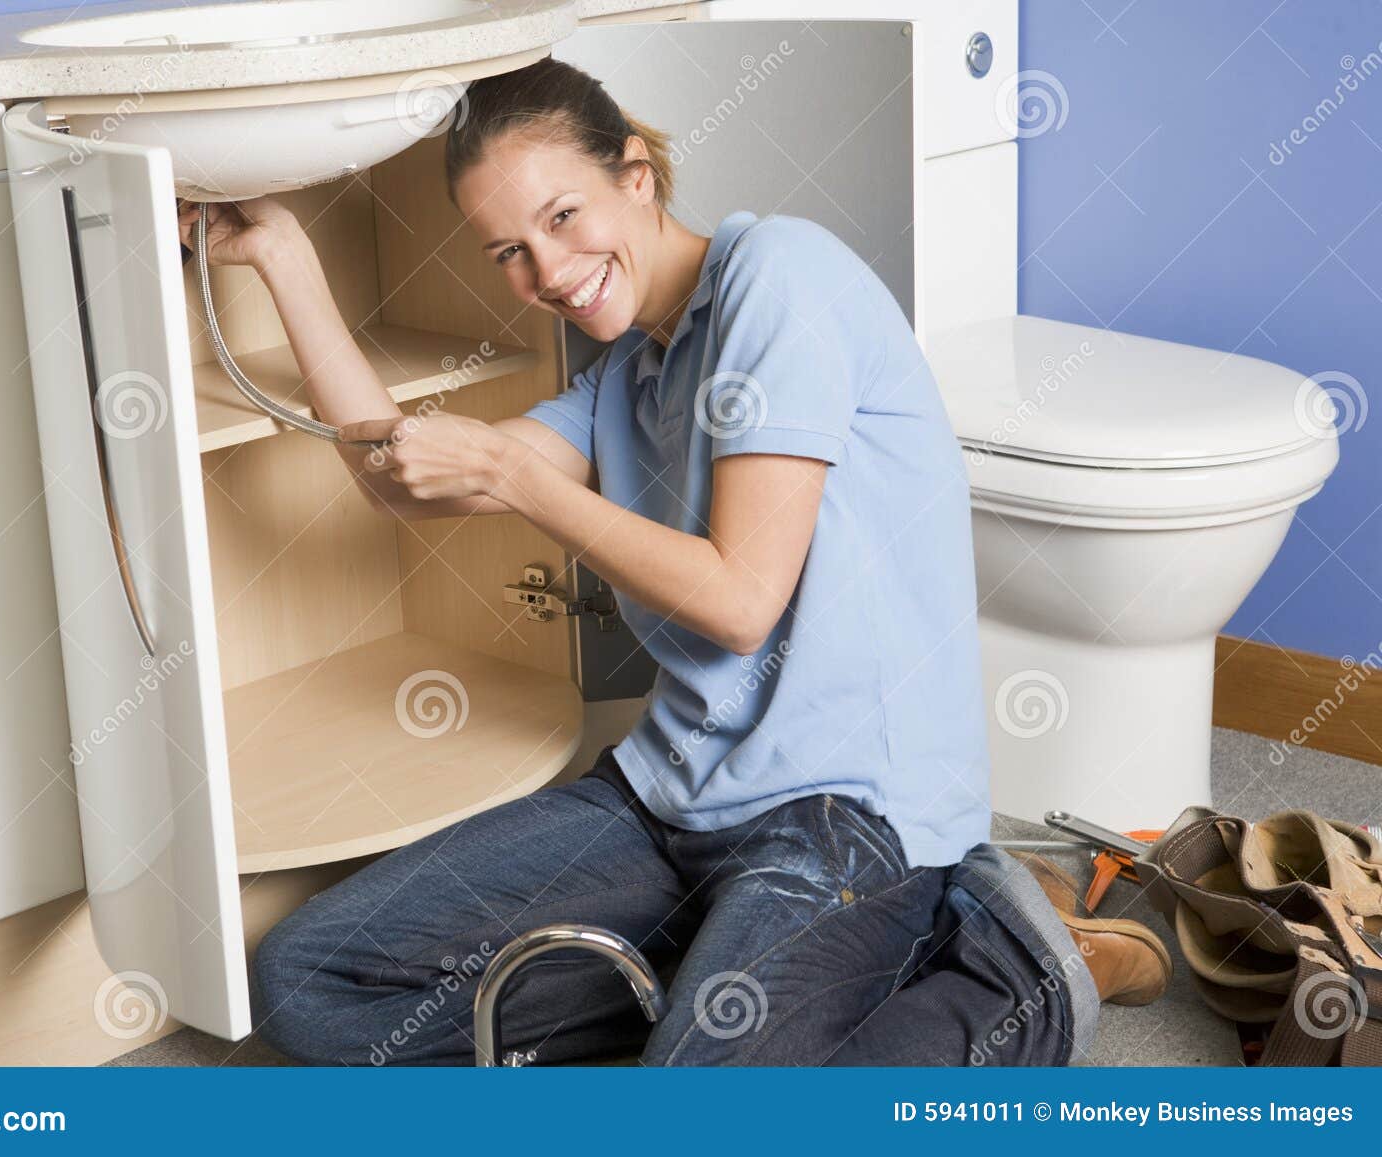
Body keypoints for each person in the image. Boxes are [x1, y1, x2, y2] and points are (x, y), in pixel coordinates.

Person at [178, 57, 1165, 1066]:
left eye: (564, 216)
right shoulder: (625, 377)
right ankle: (720, 1003)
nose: (547, 272)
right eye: (511, 251)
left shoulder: (781, 274)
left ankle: (1023, 969)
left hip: (846, 816)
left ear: (636, 175)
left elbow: (741, 600)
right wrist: (285, 257)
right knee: (307, 978)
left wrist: (518, 479)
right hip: (666, 796)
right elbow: (403, 483)